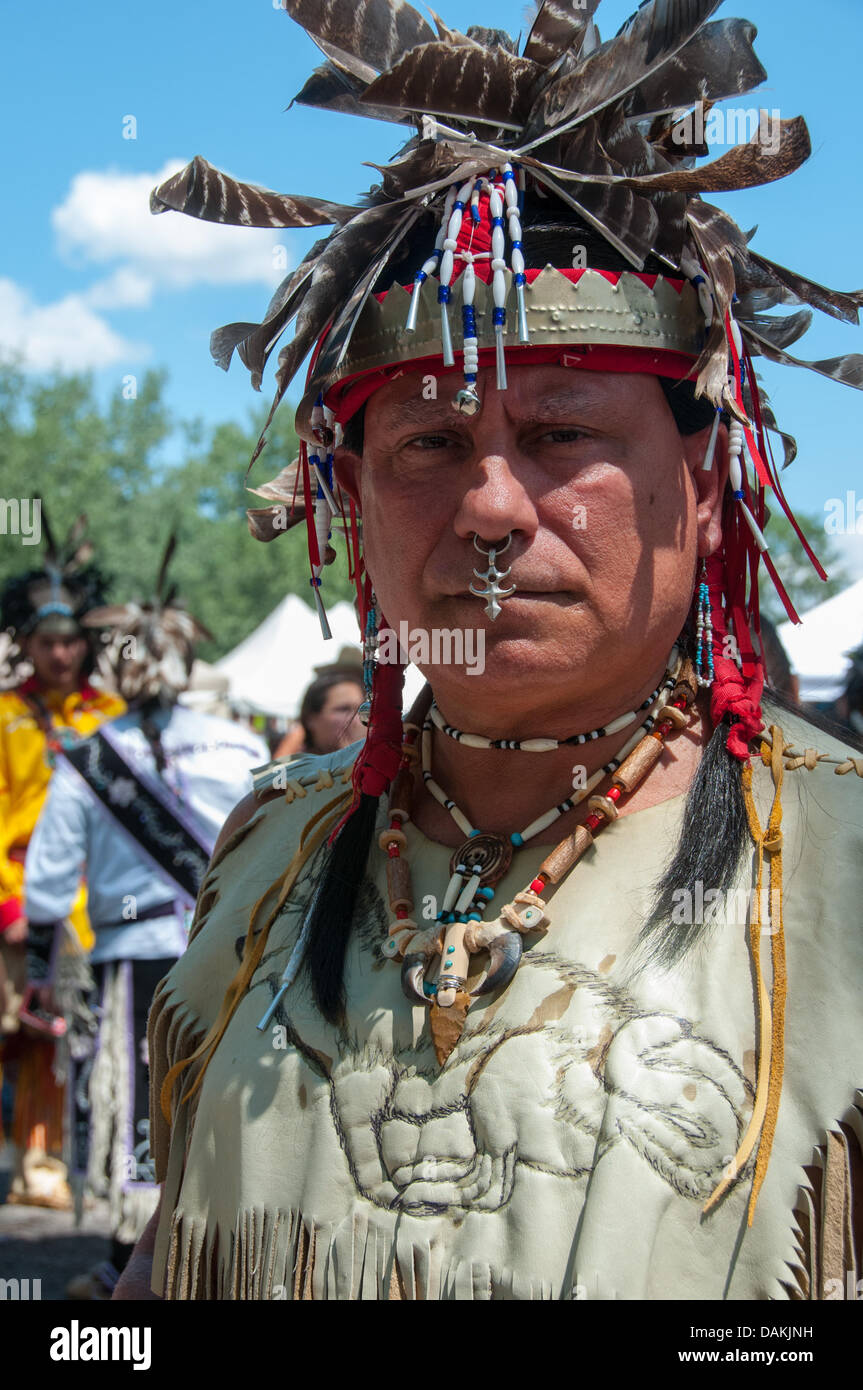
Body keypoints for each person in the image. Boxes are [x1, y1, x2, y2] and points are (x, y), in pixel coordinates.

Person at [122, 2, 863, 1300]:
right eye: (428, 443)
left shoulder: (841, 867)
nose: (492, 507)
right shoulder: (266, 846)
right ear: (349, 502)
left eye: (562, 433)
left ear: (698, 485)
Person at [22, 536, 269, 1297]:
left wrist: (36, 970)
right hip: (235, 952)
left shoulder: (87, 757)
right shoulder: (242, 744)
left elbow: (48, 885)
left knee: (141, 1105)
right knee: (223, 1093)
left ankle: (130, 1262)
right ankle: (232, 1248)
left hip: (134, 962)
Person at [0, 516, 125, 1208]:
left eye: (72, 640)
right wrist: (13, 909)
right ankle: (32, 1164)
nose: (59, 653)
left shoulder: (108, 714)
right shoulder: (4, 715)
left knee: (77, 1038)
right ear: (25, 644)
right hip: (19, 903)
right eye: (46, 641)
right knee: (18, 1036)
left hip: (96, 911)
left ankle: (62, 1167)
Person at [274, 663, 366, 759]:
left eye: (361, 709)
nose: (357, 720)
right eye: (344, 709)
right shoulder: (293, 769)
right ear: (311, 719)